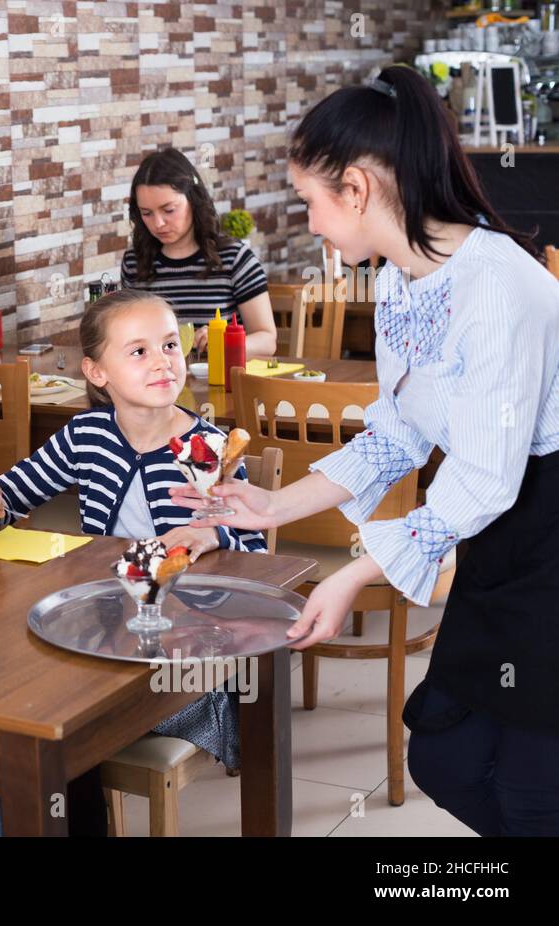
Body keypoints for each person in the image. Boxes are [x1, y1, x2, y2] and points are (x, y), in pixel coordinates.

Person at [172, 65, 559, 835]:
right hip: (501, 534)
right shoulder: (396, 284)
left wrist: (352, 574)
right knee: (444, 758)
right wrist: (275, 503)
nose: (309, 223)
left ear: (355, 188)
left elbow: (483, 476)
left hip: (543, 526)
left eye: (310, 201)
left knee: (528, 789)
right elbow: (398, 436)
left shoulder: (497, 287)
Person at [0, 289, 268, 770]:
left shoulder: (209, 448)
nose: (162, 363)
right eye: (139, 351)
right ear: (96, 372)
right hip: (102, 619)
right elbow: (10, 497)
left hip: (182, 634)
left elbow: (254, 555)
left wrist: (212, 534)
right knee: (22, 683)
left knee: (80, 706)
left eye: (170, 345)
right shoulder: (86, 436)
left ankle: (207, 709)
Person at [122, 148, 277, 357]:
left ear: (193, 201)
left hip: (225, 384)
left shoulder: (234, 259)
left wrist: (225, 341)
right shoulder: (134, 263)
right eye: (146, 213)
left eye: (169, 210)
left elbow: (267, 340)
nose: (158, 223)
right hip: (156, 384)